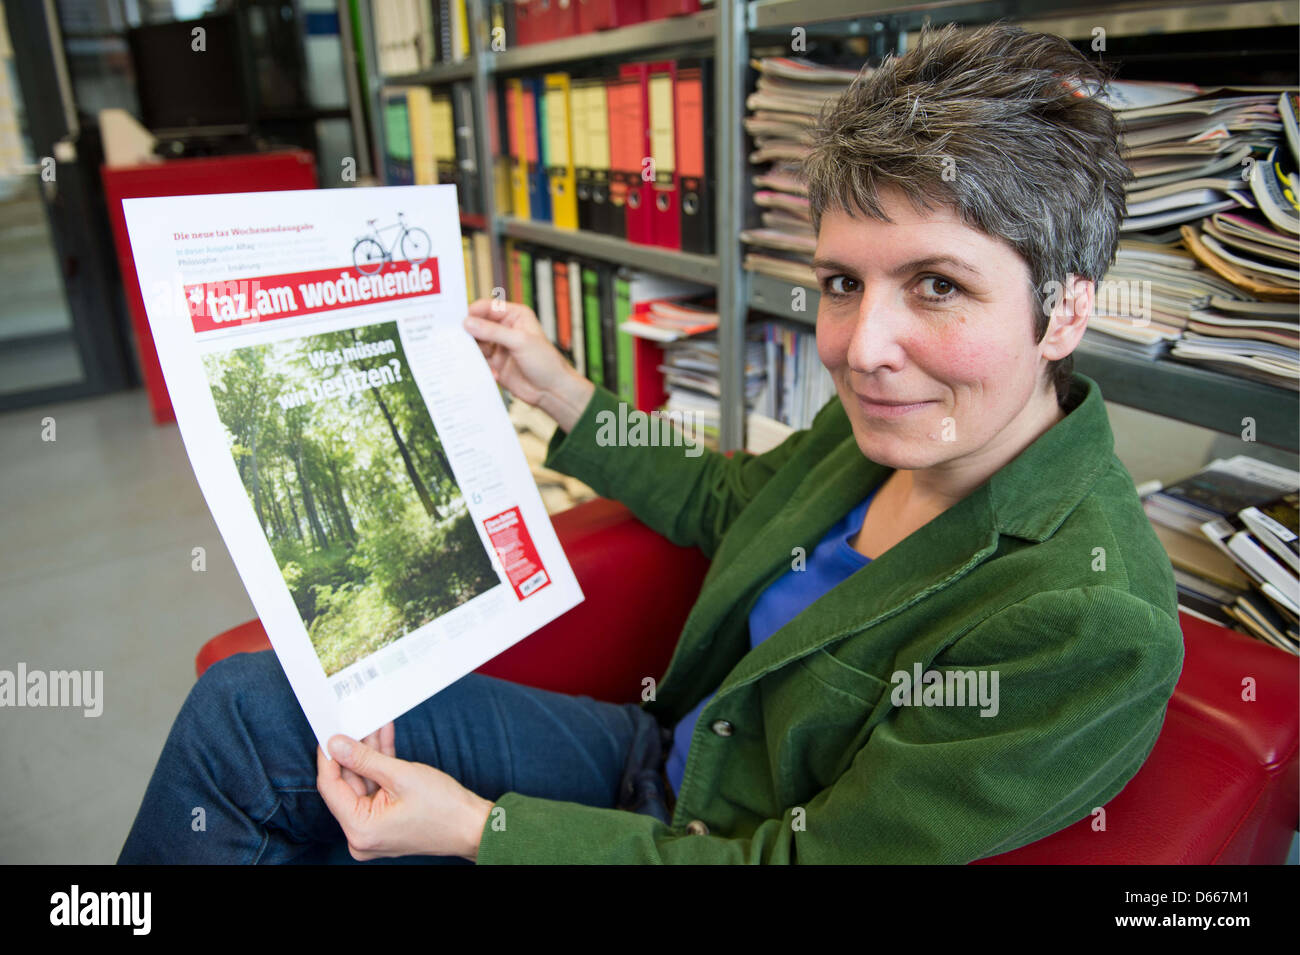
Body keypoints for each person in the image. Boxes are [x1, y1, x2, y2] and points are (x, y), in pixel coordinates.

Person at [117, 21, 1184, 865]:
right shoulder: (897, 430)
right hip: (662, 752)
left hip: (707, 840)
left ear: (1064, 313)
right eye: (841, 284)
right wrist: (566, 392)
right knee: (252, 708)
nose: (863, 348)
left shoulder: (1086, 621)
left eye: (938, 286)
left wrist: (474, 831)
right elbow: (735, 502)